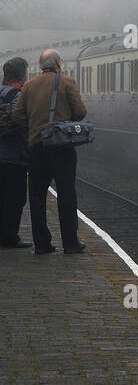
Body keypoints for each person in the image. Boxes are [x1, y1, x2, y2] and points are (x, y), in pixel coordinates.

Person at [12, 49, 88, 255]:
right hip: (62, 148)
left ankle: (42, 244)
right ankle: (71, 243)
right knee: (67, 195)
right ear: (59, 64)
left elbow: (17, 116)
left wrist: (35, 128)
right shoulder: (66, 82)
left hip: (37, 147)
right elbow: (81, 112)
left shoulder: (29, 86)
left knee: (36, 196)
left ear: (39, 65)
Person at [0, 56, 30, 247]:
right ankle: (10, 236)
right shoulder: (18, 96)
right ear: (22, 75)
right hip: (14, 154)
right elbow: (24, 124)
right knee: (16, 197)